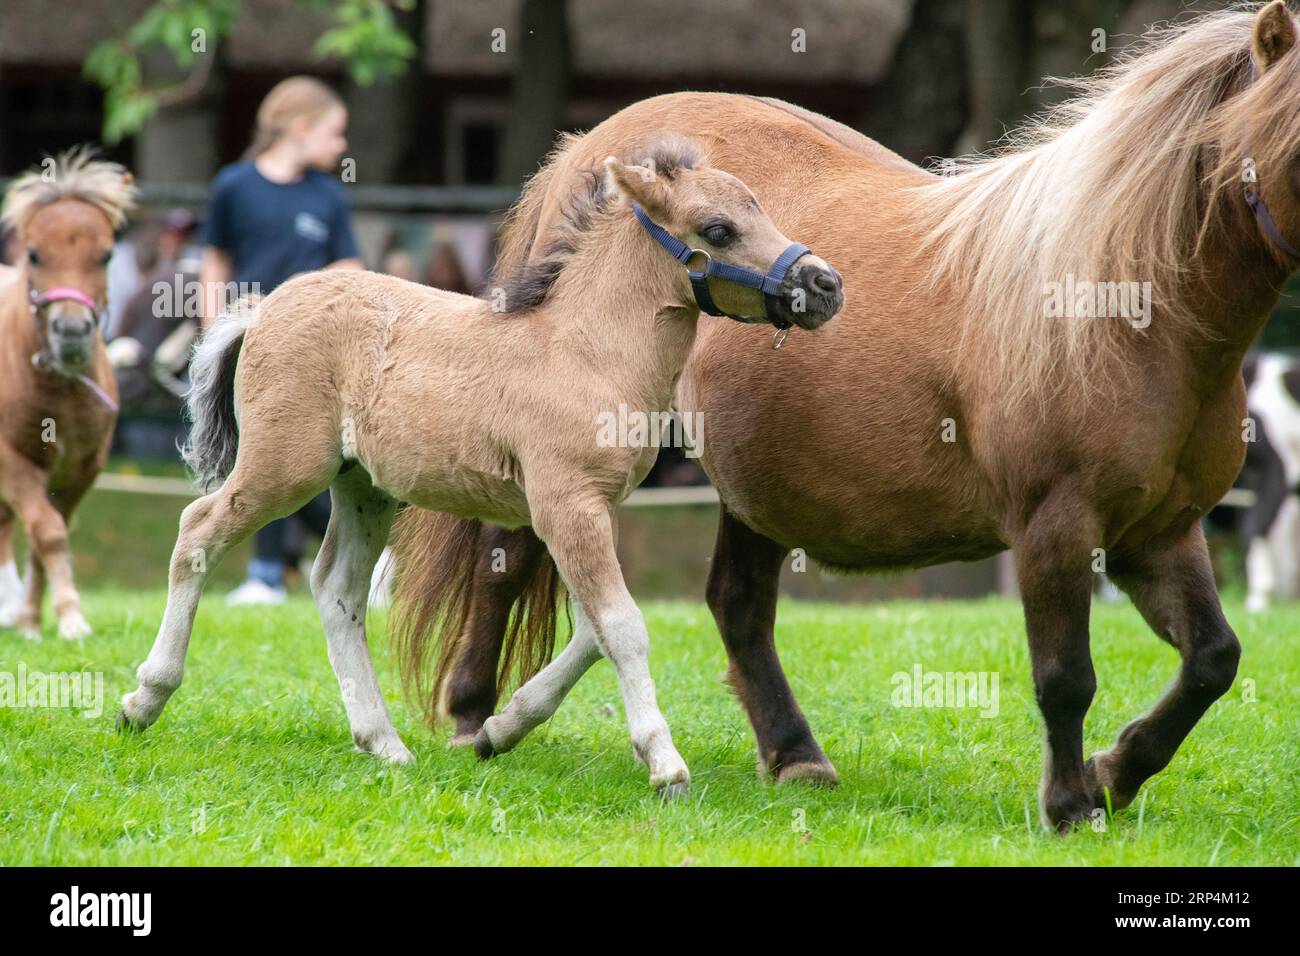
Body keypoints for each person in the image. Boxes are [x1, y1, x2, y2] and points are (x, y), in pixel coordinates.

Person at [198, 76, 363, 605]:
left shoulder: (327, 196)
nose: (341, 148)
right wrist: (212, 329)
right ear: (300, 129)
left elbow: (351, 266)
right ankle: (270, 572)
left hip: (310, 344)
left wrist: (301, 303)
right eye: (334, 134)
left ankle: (276, 572)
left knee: (299, 455)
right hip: (250, 335)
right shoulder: (234, 186)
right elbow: (215, 262)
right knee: (264, 449)